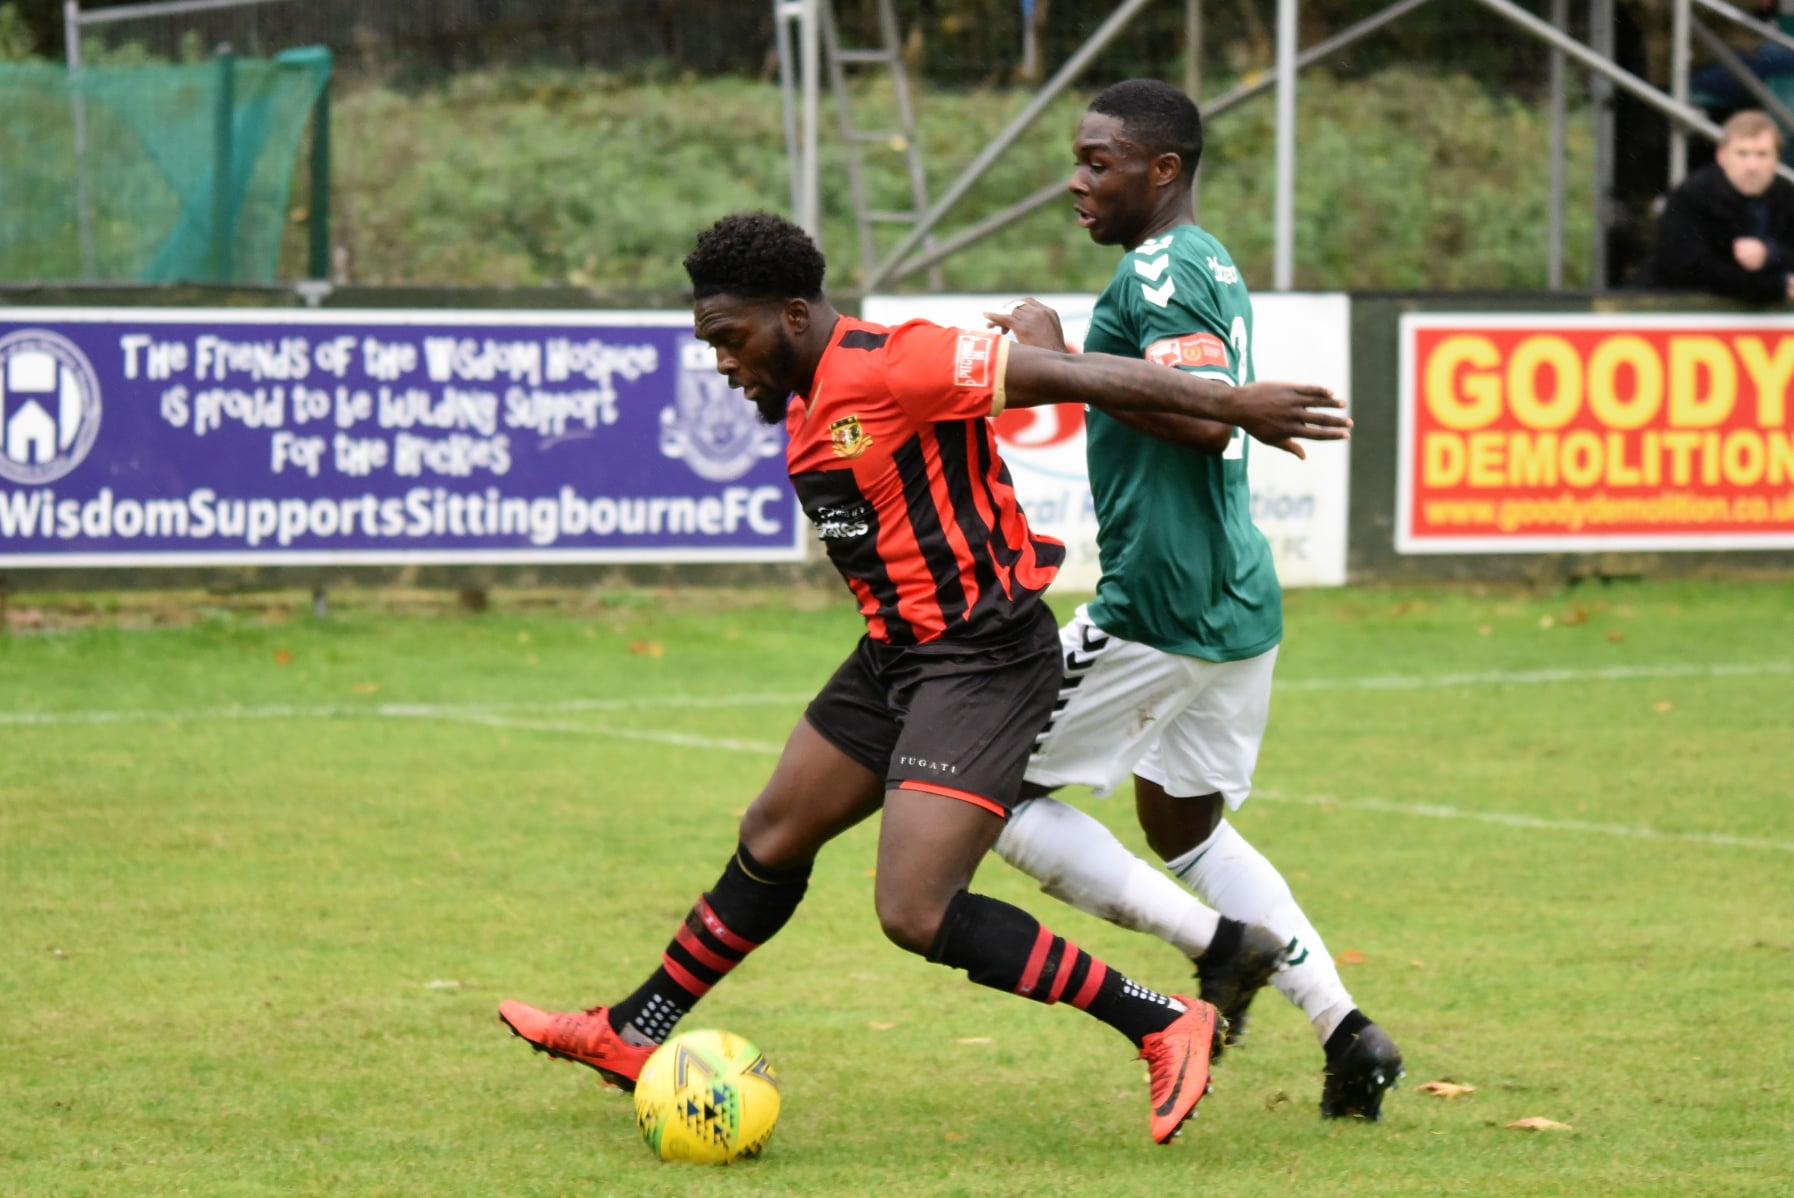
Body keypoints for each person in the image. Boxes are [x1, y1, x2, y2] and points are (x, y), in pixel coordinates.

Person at [498, 210, 1352, 1144]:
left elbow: (1071, 374)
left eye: (729, 341)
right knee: (773, 833)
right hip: (893, 656)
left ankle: (1161, 1022)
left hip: (983, 661)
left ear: (792, 314)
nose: (722, 364)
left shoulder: (897, 362)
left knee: (913, 909)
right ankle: (633, 1032)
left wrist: (1234, 405)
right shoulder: (811, 395)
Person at [981, 78, 1404, 1121]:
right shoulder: (1197, 257)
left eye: (1098, 162)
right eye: (1077, 160)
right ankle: (1349, 1031)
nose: (1076, 182)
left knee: (988, 792)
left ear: (1162, 170)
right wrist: (1070, 352)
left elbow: (1207, 419)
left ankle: (1222, 951)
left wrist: (1060, 354)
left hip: (1157, 608)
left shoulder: (1166, 264)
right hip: (1234, 601)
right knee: (1185, 826)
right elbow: (1199, 395)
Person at [1648, 109, 1794, 303]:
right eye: (1742, 154)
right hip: (1689, 317)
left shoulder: (1787, 196)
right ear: (1722, 156)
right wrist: (1773, 287)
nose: (1752, 165)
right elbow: (1682, 266)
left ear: (1776, 158)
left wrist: (1770, 253)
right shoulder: (1692, 196)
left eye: (1762, 154)